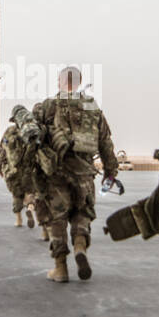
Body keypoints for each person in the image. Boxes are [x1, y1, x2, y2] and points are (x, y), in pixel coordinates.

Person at [33, 66, 119, 282]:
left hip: (57, 172)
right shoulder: (91, 105)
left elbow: (32, 138)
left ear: (60, 81)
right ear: (79, 82)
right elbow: (105, 141)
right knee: (82, 212)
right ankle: (80, 246)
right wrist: (110, 171)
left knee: (57, 217)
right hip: (85, 171)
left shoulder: (49, 105)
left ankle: (60, 268)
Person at [0, 113, 37, 229]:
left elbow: (2, 150)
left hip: (13, 169)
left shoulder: (9, 132)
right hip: (28, 169)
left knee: (16, 194)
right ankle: (30, 207)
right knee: (30, 192)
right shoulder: (30, 131)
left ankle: (19, 219)